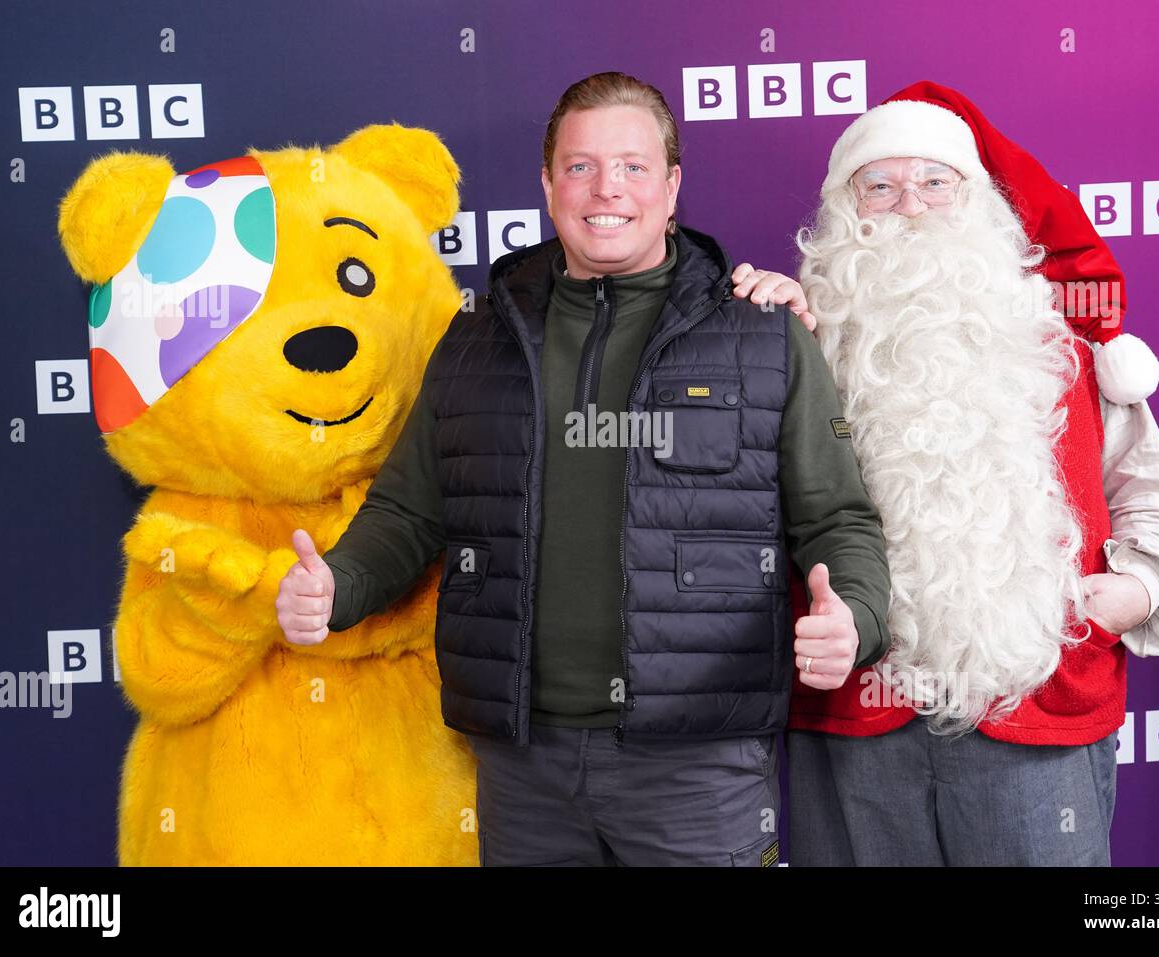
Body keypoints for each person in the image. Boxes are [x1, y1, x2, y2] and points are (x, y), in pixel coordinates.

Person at [274, 71, 891, 866]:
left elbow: (837, 519)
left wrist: (856, 619)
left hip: (698, 768)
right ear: (547, 184)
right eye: (581, 166)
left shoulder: (764, 335)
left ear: (672, 186)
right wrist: (339, 584)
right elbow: (409, 510)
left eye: (633, 166)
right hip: (524, 767)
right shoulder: (477, 339)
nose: (608, 189)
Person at [741, 81, 1159, 866]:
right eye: (879, 187)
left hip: (1035, 706)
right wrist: (763, 339)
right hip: (857, 715)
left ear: (979, 203)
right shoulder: (799, 339)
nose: (911, 206)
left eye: (935, 182)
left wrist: (1143, 585)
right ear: (845, 212)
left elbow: (1148, 484)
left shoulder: (1059, 342)